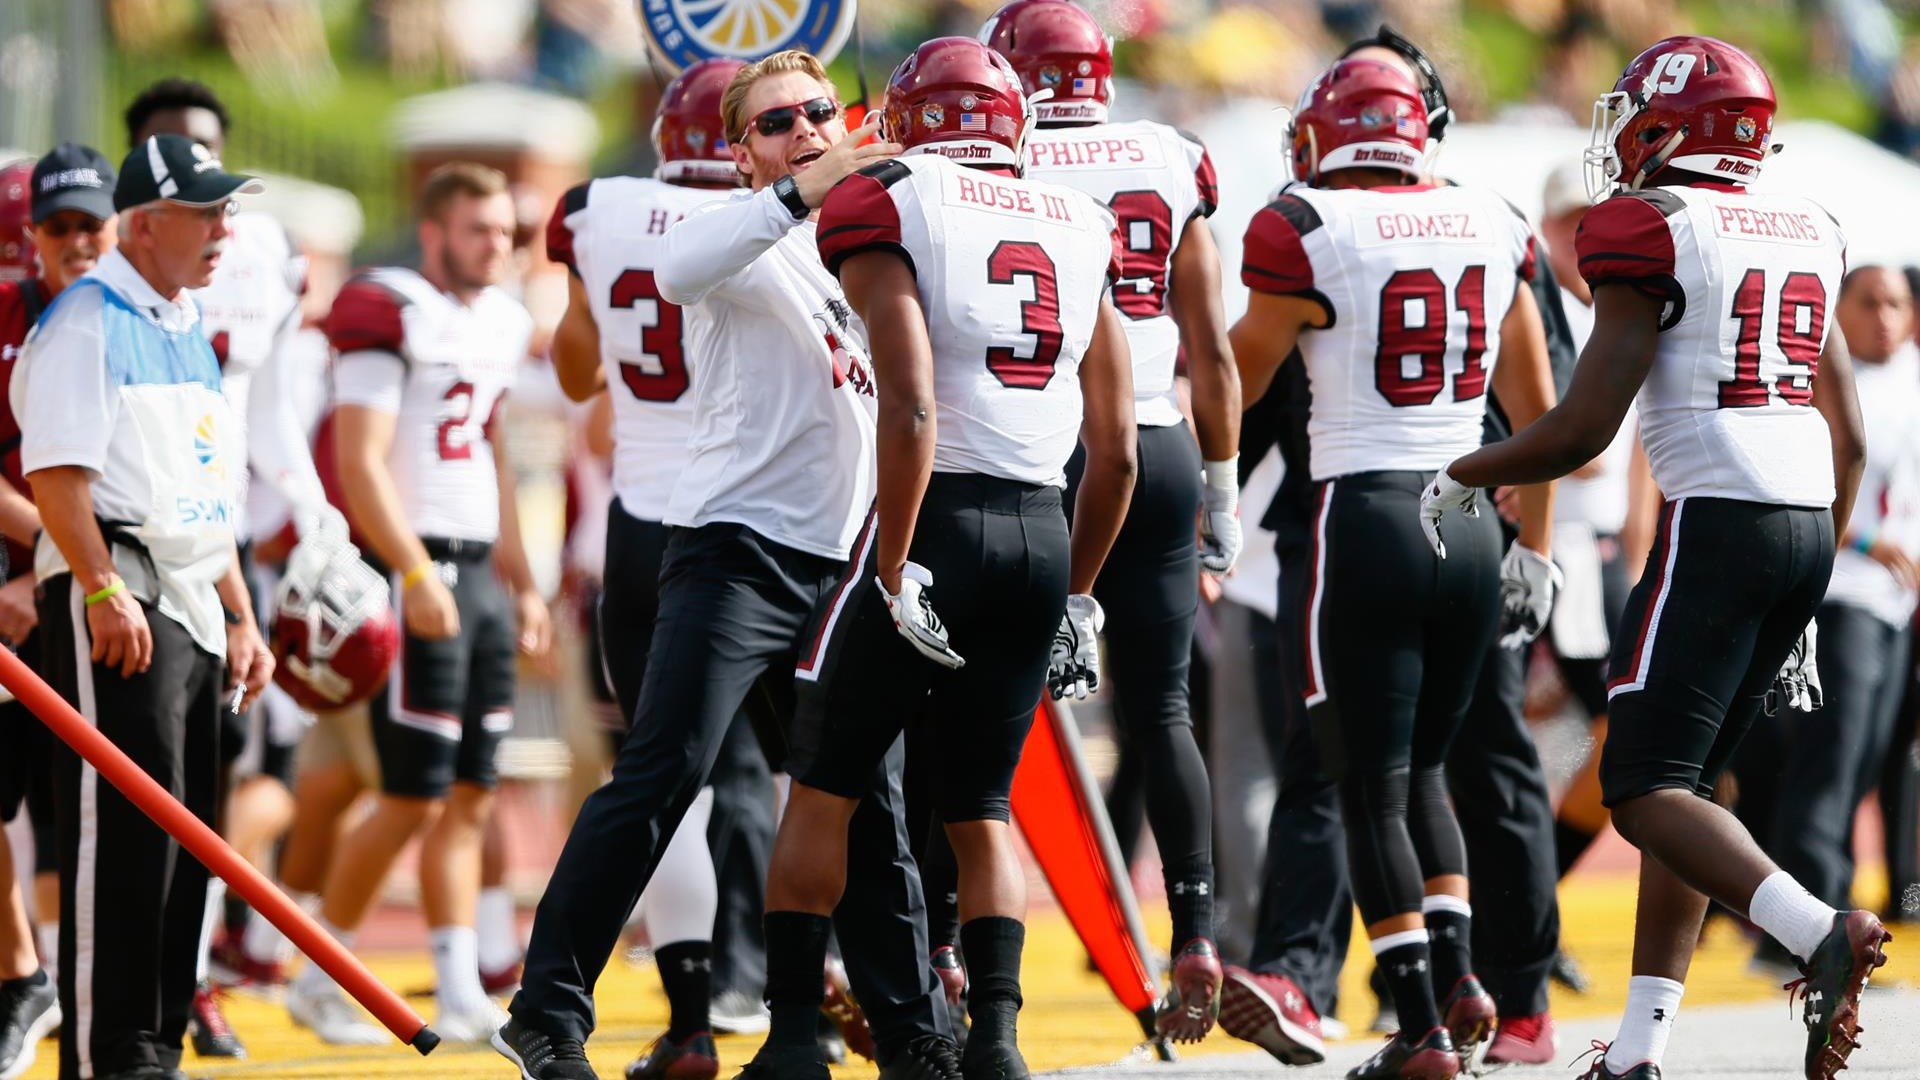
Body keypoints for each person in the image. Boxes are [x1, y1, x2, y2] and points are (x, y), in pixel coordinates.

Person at [1418, 36, 1884, 1080]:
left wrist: (1466, 465)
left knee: (1638, 786)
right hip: (1807, 520)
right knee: (1687, 787)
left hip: (1717, 516)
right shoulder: (1809, 224)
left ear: (1679, 121)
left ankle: (1816, 931)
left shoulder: (1654, 226)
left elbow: (1585, 425)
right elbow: (1845, 431)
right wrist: (1806, 588)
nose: (1620, 128)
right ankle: (1638, 1050)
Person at [495, 49, 959, 1080]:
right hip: (734, 550)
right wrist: (810, 180)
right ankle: (547, 1006)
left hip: (836, 561)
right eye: (774, 123)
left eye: (815, 114)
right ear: (738, 152)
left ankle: (914, 1029)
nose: (801, 129)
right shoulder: (739, 232)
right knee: (665, 774)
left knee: (866, 801)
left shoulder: (859, 248)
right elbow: (676, 271)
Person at [747, 36, 1136, 1080]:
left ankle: (793, 1037)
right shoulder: (1081, 219)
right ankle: (999, 1043)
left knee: (822, 786)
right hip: (1040, 535)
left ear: (910, 118)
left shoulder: (897, 194)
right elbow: (1122, 448)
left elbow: (912, 400)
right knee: (982, 809)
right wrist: (1080, 597)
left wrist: (893, 563)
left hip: (932, 519)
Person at [1230, 58, 1557, 1079]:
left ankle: (1418, 1031)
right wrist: (1534, 549)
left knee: (1364, 783)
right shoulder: (1494, 220)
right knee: (1425, 772)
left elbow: (1236, 382)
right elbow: (1538, 409)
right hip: (1467, 518)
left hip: (1362, 515)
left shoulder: (1305, 225)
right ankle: (1459, 973)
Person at [978, 1, 1241, 1038]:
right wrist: (1222, 489)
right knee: (1162, 710)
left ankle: (961, 960)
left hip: (1044, 450)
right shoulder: (1172, 153)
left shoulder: (1001, 164)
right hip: (1164, 442)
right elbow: (1208, 342)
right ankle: (1197, 928)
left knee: (986, 714)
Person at [13, 132, 275, 1080]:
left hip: (193, 594)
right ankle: (107, 1050)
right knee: (120, 833)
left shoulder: (180, 319)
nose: (223, 227)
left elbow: (208, 491)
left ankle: (152, 1045)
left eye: (225, 209)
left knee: (186, 831)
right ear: (148, 223)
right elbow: (56, 475)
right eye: (205, 210)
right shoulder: (88, 320)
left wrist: (242, 615)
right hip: (125, 589)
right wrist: (101, 587)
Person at [284, 161, 551, 1046]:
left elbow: (494, 450)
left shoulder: (507, 321)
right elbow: (360, 460)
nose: (497, 246)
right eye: (479, 229)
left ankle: (457, 982)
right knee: (409, 792)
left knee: (473, 791)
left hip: (476, 572)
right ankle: (324, 973)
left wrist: (521, 577)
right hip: (417, 565)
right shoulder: (391, 306)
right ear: (433, 231)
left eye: (506, 231)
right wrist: (413, 570)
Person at [125, 77, 338, 1060]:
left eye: (204, 149)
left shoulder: (262, 256)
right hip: (119, 537)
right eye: (169, 147)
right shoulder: (100, 270)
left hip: (223, 538)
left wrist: (311, 512)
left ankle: (190, 972)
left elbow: (272, 403)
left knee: (213, 767)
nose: (190, 167)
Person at [545, 56, 747, 1080]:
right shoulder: (786, 211)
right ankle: (822, 979)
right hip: (766, 525)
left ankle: (692, 1019)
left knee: (670, 783)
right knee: (830, 770)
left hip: (645, 523)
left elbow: (577, 368)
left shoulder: (602, 212)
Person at [1752, 266, 1920, 976]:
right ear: (1838, 310)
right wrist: (1859, 540)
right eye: (1869, 302)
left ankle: (1828, 924)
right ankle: (1801, 940)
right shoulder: (1817, 381)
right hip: (1841, 593)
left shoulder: (1909, 377)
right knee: (1828, 766)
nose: (1884, 316)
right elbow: (1792, 484)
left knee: (1861, 770)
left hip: (1895, 602)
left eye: (1897, 304)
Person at [0, 142, 119, 1080]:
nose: (76, 242)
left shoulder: (144, 316)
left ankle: (127, 997)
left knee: (100, 808)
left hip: (110, 584)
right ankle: (25, 976)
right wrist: (49, 549)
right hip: (34, 585)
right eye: (57, 227)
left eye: (92, 225)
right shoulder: (13, 317)